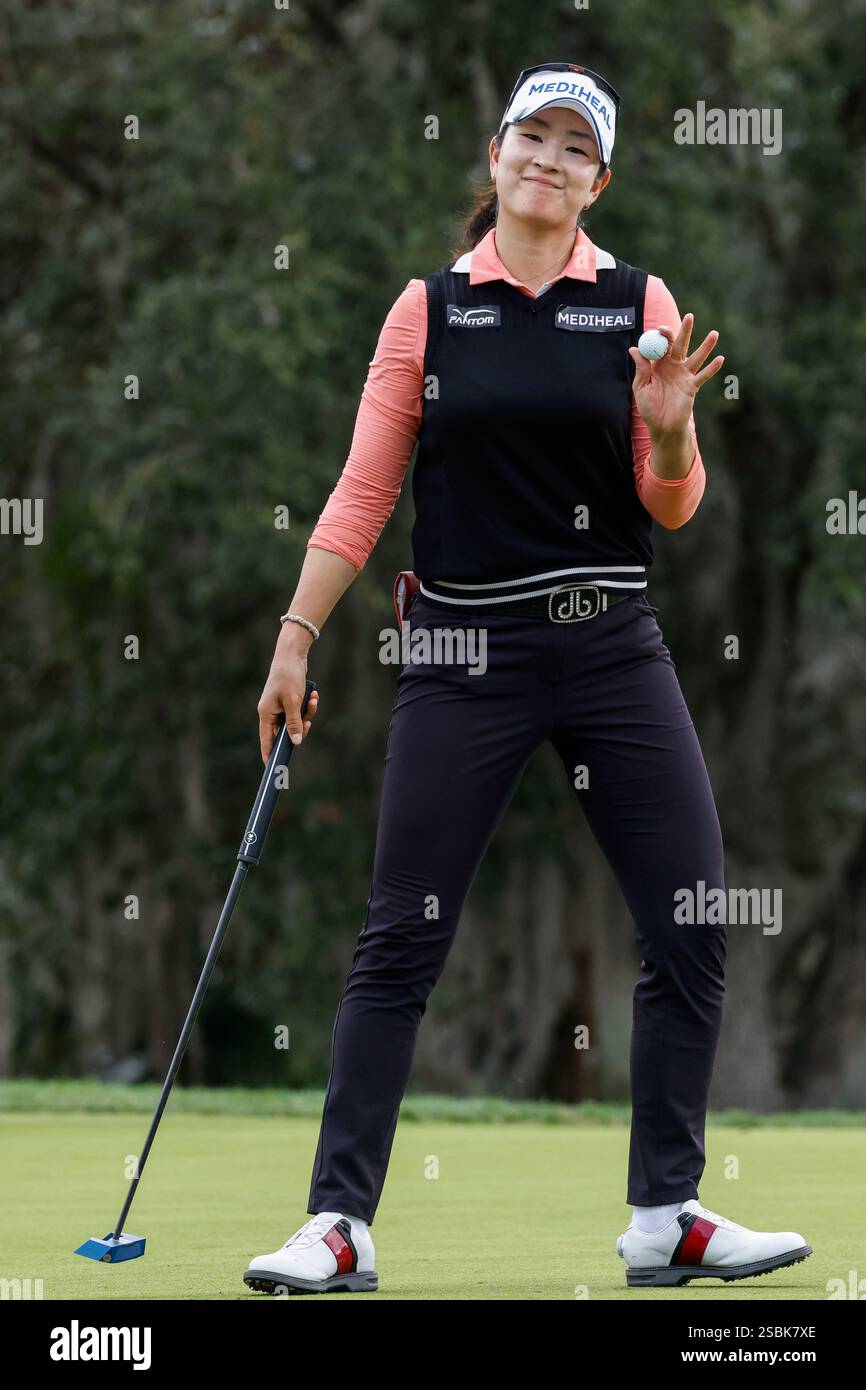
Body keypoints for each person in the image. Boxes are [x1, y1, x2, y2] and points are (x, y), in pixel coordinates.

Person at [244, 63, 812, 1294]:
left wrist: (665, 430)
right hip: (461, 653)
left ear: (596, 179)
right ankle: (338, 1223)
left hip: (610, 643)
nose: (546, 161)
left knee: (688, 921)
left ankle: (665, 1212)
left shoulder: (635, 304)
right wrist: (297, 632)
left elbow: (670, 504)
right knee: (401, 935)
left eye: (572, 148)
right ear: (494, 156)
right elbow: (362, 490)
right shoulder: (430, 310)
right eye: (529, 138)